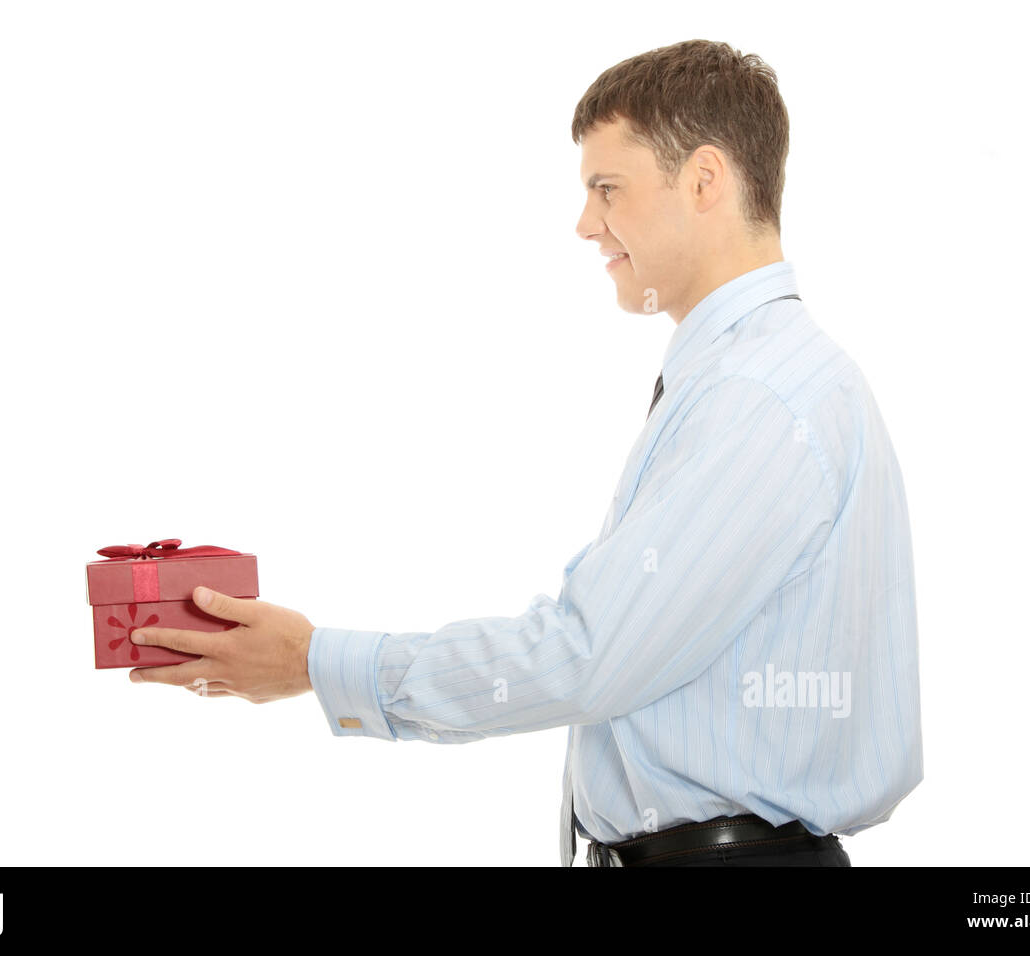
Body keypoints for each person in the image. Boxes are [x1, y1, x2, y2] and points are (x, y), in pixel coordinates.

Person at [126, 39, 923, 867]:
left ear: (704, 179)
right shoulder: (756, 379)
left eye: (606, 188)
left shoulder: (755, 397)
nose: (586, 224)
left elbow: (584, 656)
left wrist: (314, 661)